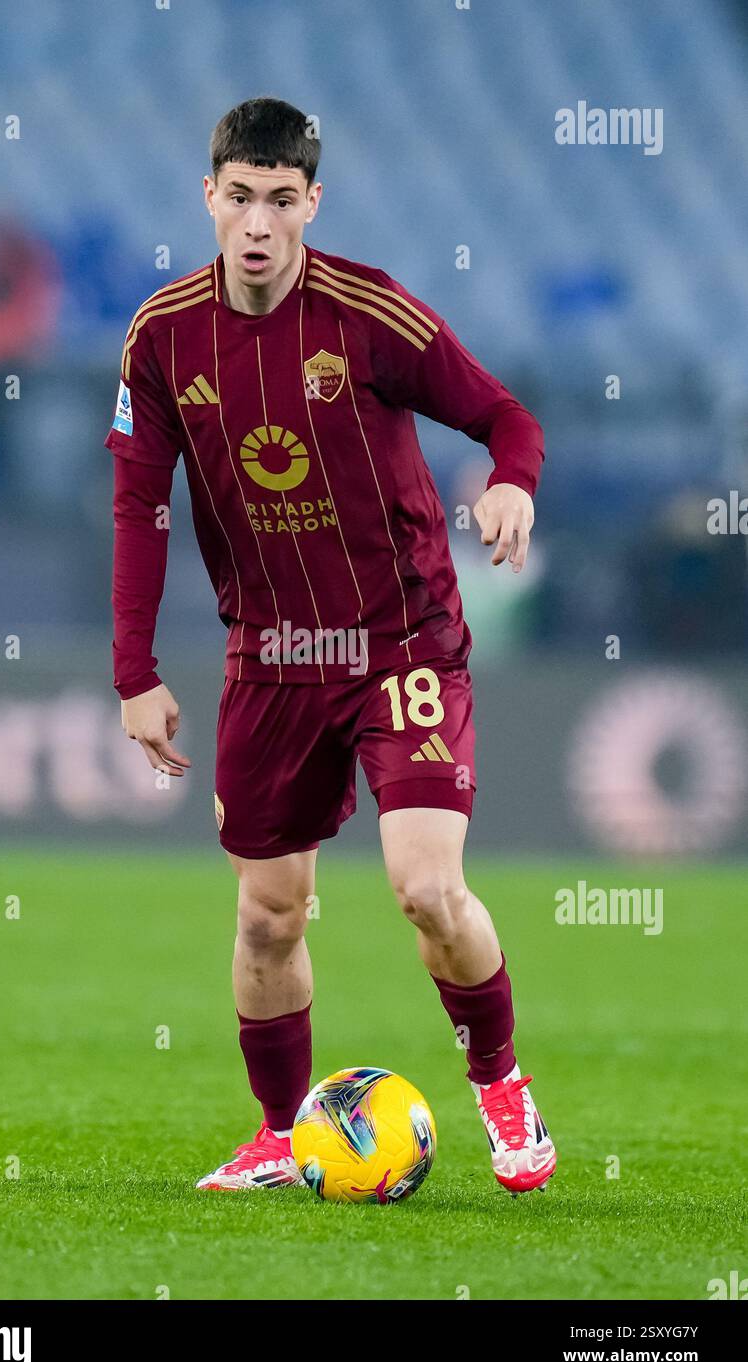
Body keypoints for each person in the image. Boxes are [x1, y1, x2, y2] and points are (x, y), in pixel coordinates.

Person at [105, 97, 555, 1195]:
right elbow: (138, 508)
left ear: (312, 203)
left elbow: (507, 417)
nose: (258, 222)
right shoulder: (161, 337)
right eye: (239, 197)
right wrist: (135, 672)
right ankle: (275, 1132)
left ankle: (499, 1083)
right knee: (267, 913)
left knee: (423, 891)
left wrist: (509, 485)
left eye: (281, 200)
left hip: (401, 641)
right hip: (268, 655)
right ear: (207, 196)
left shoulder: (369, 313)